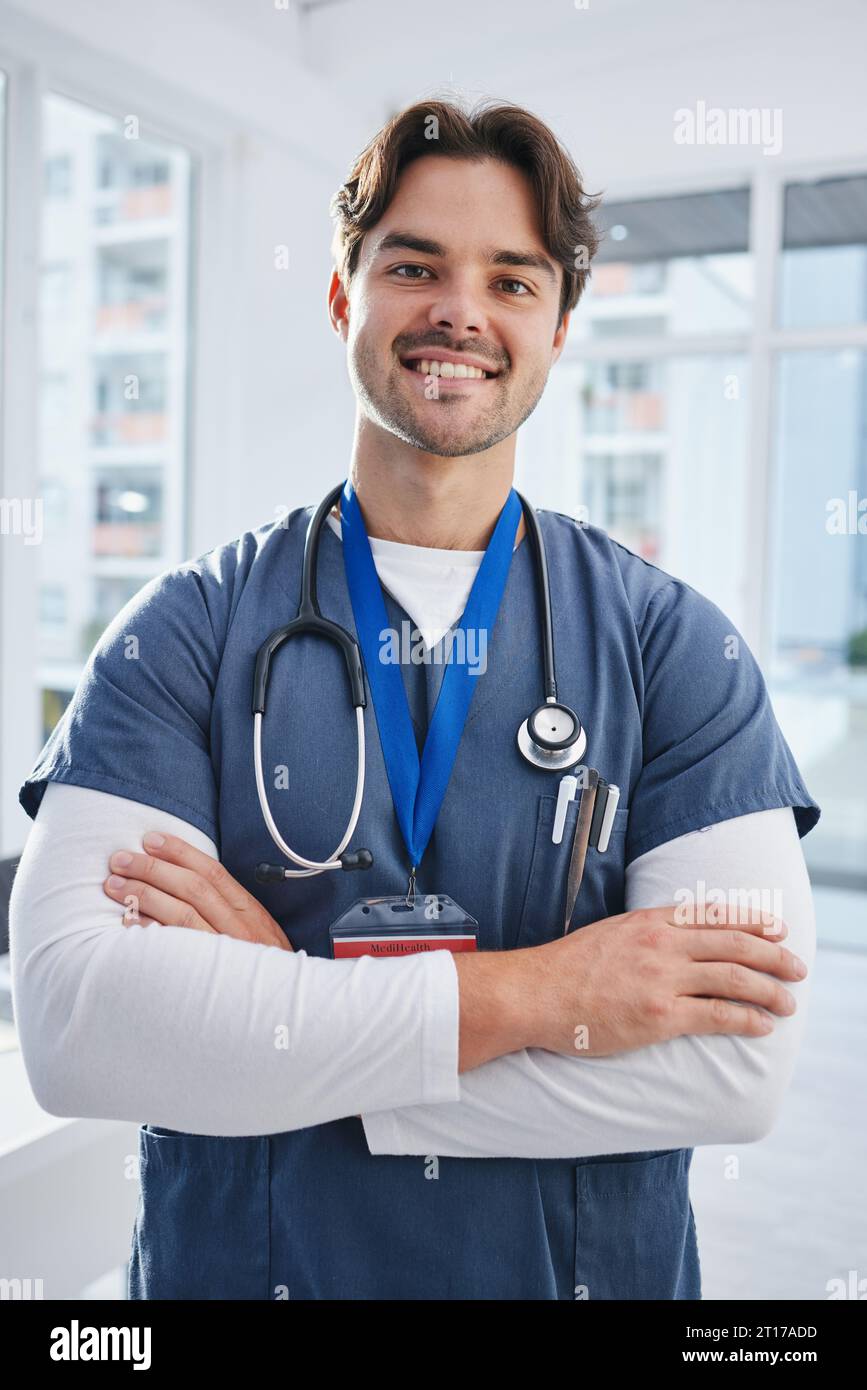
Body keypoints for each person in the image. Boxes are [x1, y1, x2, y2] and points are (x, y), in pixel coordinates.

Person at [10, 97, 819, 1301]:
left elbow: (730, 1072)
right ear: (345, 297)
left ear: (557, 327)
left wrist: (283, 1007)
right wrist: (546, 994)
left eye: (512, 279)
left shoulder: (675, 647)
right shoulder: (184, 629)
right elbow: (78, 1029)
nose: (461, 312)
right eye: (415, 266)